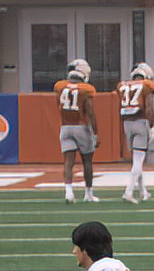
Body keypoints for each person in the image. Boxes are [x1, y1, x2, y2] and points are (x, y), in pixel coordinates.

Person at [55, 59, 99, 204]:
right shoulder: (85, 89)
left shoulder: (60, 86)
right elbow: (90, 112)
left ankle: (68, 192)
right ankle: (88, 193)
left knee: (68, 162)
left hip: (65, 127)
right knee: (87, 160)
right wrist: (95, 132)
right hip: (81, 126)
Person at [117, 62, 154, 204]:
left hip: (126, 123)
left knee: (137, 159)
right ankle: (129, 191)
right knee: (138, 160)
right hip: (140, 121)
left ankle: (143, 191)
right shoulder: (147, 85)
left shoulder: (123, 85)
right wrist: (152, 126)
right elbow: (149, 107)